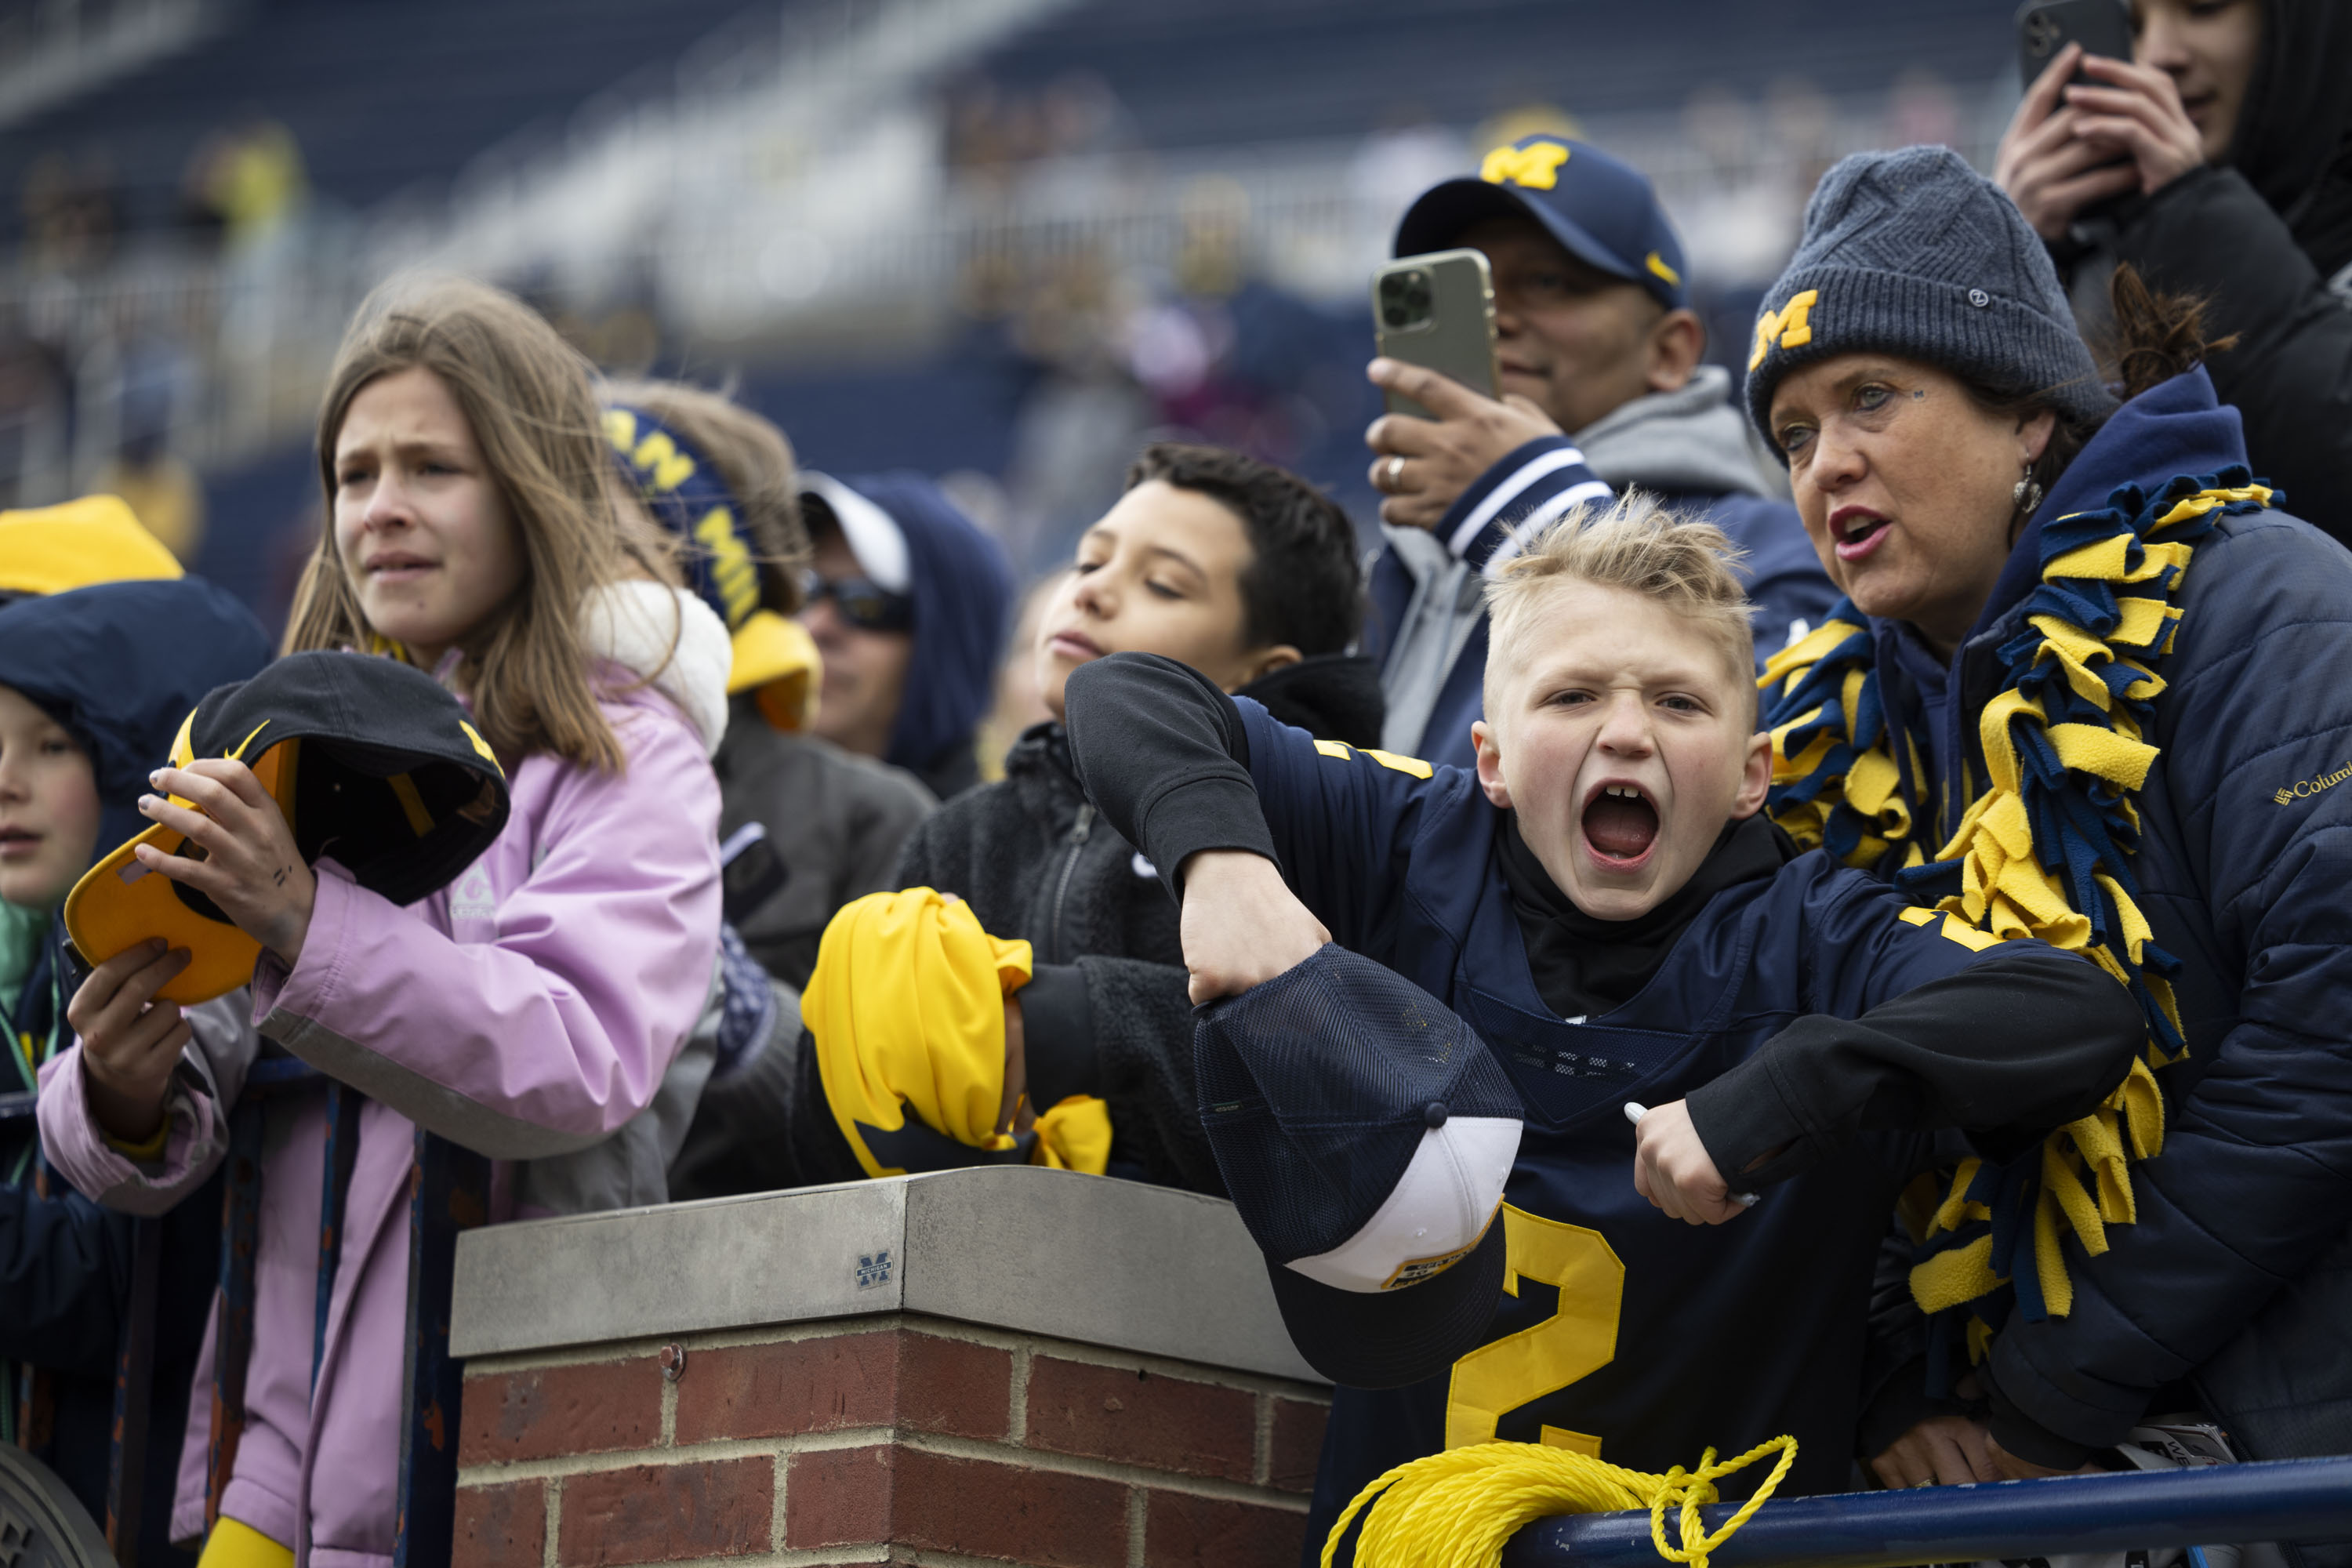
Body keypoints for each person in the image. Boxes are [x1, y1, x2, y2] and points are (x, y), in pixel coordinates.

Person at [1058, 497, 2143, 1553]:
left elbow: (2077, 1015)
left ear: (1752, 776)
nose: (1625, 732)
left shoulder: (1817, 940)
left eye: (1678, 703)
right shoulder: (1405, 844)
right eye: (1572, 697)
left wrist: (1786, 1092)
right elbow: (1124, 693)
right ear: (1489, 759)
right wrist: (1227, 868)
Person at [34, 278, 728, 1567]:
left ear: (531, 489)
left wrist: (305, 922)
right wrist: (123, 1092)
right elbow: (175, 1109)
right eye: (355, 475)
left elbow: (578, 1060)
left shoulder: (629, 751)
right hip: (262, 1471)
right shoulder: (280, 749)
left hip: (512, 1448)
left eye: (432, 467)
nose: (383, 507)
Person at [1743, 146, 2352, 1513]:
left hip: (2295, 1472)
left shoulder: (2267, 606)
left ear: (2028, 413)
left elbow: (2332, 1039)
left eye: (1872, 398)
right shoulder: (1813, 734)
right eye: (1792, 433)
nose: (1826, 459)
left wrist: (2053, 1393)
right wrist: (1888, 1375)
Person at [783, 443, 1385, 1195]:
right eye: (1088, 562)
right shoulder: (962, 832)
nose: (1092, 593)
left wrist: (1083, 1026)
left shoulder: (1312, 829)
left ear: (1261, 674)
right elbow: (829, 1169)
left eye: (1163, 584)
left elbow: (1346, 1099)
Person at [1363, 133, 1835, 770]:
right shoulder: (1409, 561)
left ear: (1669, 353)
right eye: (1466, 286)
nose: (1495, 317)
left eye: (1548, 282)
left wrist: (1532, 515)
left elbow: (1781, 777)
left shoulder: (1767, 547)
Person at [0, 575, 269, 1563]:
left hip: (150, 1510)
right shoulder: (39, 965)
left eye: (52, 744)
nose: (4, 779)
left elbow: (120, 1281)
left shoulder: (192, 967)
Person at [601, 381, 935, 993]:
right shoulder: (468, 761)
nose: (824, 623)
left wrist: (731, 1019)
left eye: (605, 535)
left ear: (702, 572)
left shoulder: (870, 818)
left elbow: (885, 1078)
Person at [1994, 0, 2352, 535]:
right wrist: (2012, 262)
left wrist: (2193, 214)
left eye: (2204, 8)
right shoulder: (2093, 251)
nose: (2157, 57)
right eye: (2130, 27)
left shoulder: (2174, 230)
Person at [800, 466, 1015, 800]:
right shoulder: (716, 796)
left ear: (947, 648)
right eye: (806, 589)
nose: (815, 626)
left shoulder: (983, 848)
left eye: (865, 603)